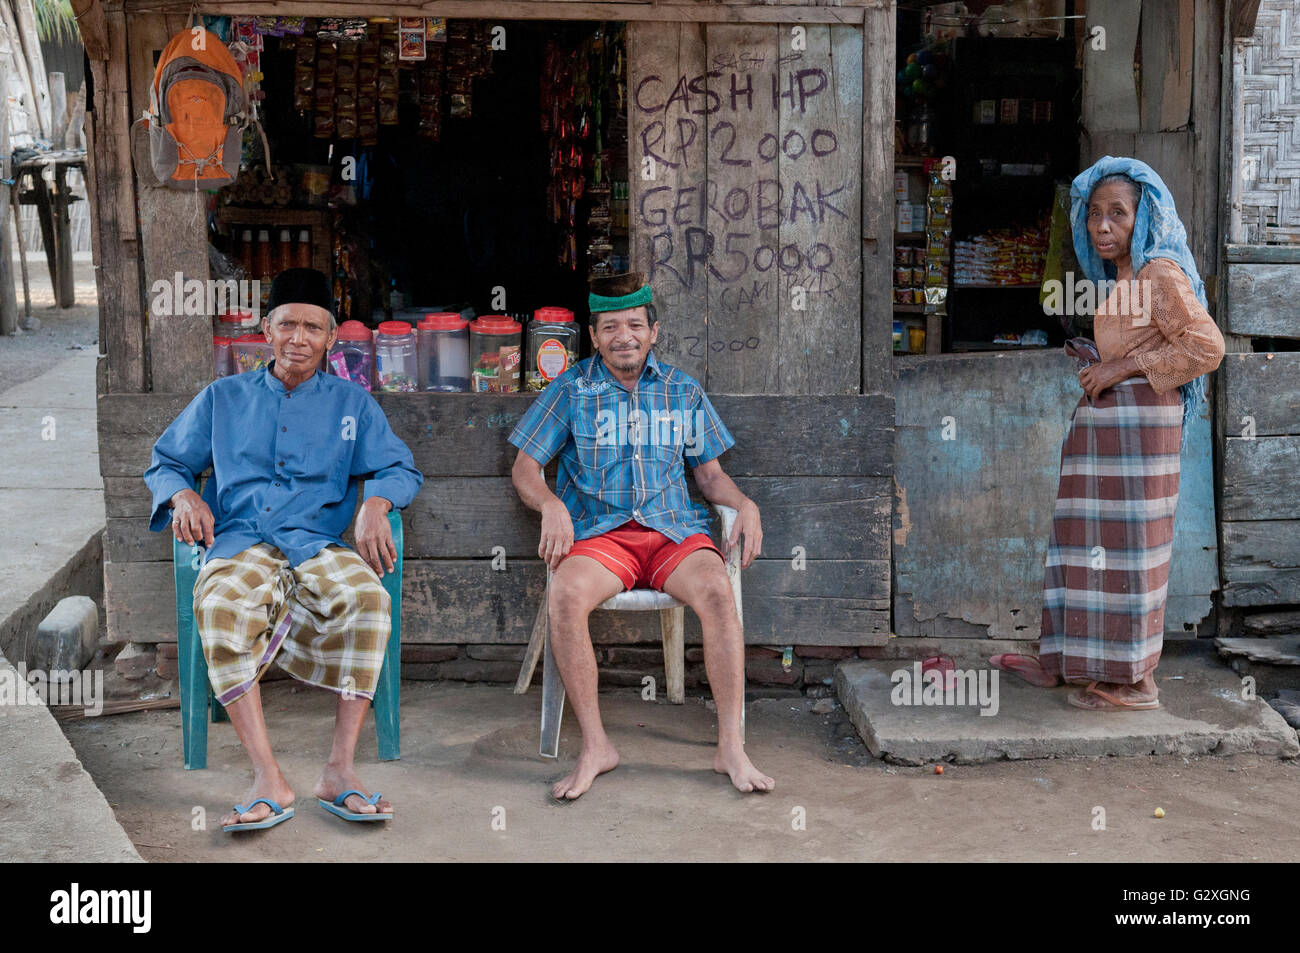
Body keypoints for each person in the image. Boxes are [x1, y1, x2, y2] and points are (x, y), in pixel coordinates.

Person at [144, 268, 423, 831]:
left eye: (313, 328)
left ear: (331, 338)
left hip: (314, 542)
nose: (299, 338)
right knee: (221, 607)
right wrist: (180, 497)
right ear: (266, 328)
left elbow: (398, 466)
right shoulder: (223, 398)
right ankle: (268, 775)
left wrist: (377, 503)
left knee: (368, 601)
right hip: (240, 541)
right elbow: (168, 461)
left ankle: (339, 770)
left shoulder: (353, 404)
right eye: (287, 324)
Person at [508, 272, 774, 799]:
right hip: (602, 537)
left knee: (720, 594)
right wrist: (551, 503)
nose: (623, 335)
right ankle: (596, 747)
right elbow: (524, 468)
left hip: (673, 533)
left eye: (634, 324)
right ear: (594, 334)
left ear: (654, 331)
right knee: (564, 596)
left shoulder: (682, 390)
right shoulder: (571, 389)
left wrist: (745, 505)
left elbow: (709, 475)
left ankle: (730, 747)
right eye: (610, 327)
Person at [993, 157, 1224, 711]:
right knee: (1082, 546)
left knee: (1131, 554)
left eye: (1117, 214)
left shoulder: (1157, 274)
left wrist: (1119, 369)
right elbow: (1144, 345)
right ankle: (1068, 661)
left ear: (1144, 217)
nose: (1102, 226)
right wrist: (1105, 359)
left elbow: (1207, 347)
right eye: (1094, 214)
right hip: (1109, 435)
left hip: (1141, 436)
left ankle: (1137, 682)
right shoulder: (1121, 277)